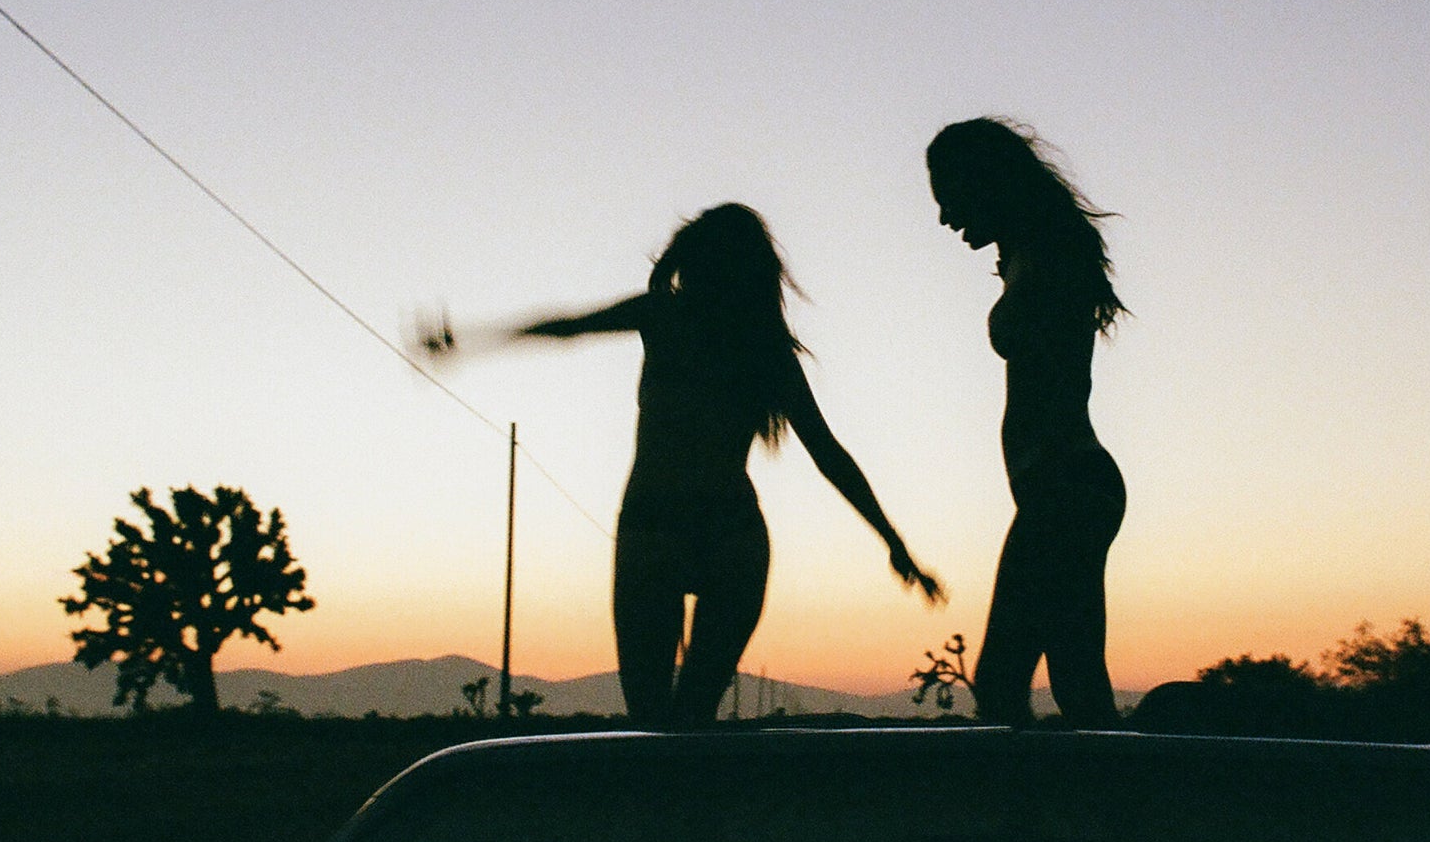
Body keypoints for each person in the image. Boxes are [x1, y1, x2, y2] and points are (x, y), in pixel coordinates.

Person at [425, 203, 942, 727]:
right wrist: (893, 542)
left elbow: (827, 452)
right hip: (709, 527)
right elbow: (568, 327)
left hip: (684, 526)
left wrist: (893, 541)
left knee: (663, 723)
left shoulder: (705, 329)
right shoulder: (693, 324)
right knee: (673, 721)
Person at [926, 118, 1125, 728]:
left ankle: (1022, 818)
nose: (942, 217)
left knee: (1002, 678)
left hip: (1063, 487)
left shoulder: (1050, 255)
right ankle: (1107, 816)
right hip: (1062, 488)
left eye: (949, 196)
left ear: (986, 181)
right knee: (1076, 678)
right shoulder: (1031, 254)